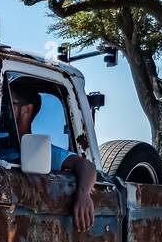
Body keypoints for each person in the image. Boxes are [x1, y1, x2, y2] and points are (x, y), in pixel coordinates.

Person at [5, 80, 97, 230]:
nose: (3, 109)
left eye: (9, 103)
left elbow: (86, 165)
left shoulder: (38, 149)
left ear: (25, 111)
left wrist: (83, 194)